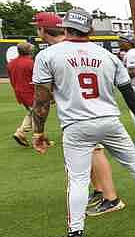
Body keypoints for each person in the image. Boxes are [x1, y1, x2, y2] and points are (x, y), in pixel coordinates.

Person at [30, 8, 135, 237]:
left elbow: (42, 100)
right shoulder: (107, 55)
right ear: (91, 30)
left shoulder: (49, 55)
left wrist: (38, 132)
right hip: (109, 121)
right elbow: (128, 91)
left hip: (76, 125)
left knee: (77, 179)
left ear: (65, 28)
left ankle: (75, 233)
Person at [30, 12, 123, 215]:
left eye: (37, 27)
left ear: (43, 30)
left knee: (94, 151)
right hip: (90, 111)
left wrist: (38, 131)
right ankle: (100, 191)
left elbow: (44, 96)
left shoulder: (59, 52)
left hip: (85, 113)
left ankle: (111, 197)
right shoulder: (82, 49)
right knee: (91, 151)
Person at [7, 41, 35, 147]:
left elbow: (12, 80)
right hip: (30, 93)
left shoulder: (11, 64)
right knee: (38, 114)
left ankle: (23, 133)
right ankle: (22, 132)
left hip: (19, 93)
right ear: (28, 51)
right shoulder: (30, 63)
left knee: (33, 113)